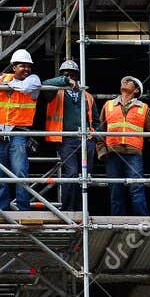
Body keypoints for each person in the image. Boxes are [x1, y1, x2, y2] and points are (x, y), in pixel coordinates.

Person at [99, 74, 150, 217]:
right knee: (115, 190)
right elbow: (100, 130)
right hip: (113, 153)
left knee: (136, 189)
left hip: (133, 154)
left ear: (136, 90)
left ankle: (142, 222)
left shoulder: (142, 108)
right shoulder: (109, 105)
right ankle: (117, 224)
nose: (126, 81)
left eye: (130, 81)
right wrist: (101, 150)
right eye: (125, 80)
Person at [0, 49, 41, 213]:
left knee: (20, 173)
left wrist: (10, 86)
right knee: (0, 174)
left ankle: (23, 211)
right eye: (22, 66)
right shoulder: (1, 80)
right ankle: (1, 210)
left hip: (18, 133)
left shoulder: (33, 81)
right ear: (13, 67)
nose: (26, 69)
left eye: (28, 66)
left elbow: (25, 88)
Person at [41, 59, 96, 211]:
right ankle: (67, 210)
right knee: (71, 174)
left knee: (84, 177)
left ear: (78, 75)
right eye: (66, 74)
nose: (70, 77)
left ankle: (80, 210)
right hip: (66, 140)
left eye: (72, 74)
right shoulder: (54, 93)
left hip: (86, 140)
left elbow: (95, 120)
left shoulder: (87, 95)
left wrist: (94, 138)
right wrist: (64, 80)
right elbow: (44, 84)